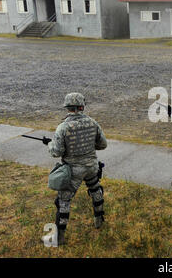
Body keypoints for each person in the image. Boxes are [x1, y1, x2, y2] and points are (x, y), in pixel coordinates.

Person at [48, 93, 108, 245]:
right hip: (92, 166)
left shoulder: (63, 127)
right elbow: (102, 144)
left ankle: (60, 236)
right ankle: (99, 220)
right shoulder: (93, 123)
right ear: (82, 106)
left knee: (64, 201)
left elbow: (56, 152)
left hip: (73, 171)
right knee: (95, 190)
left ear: (67, 107)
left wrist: (50, 144)